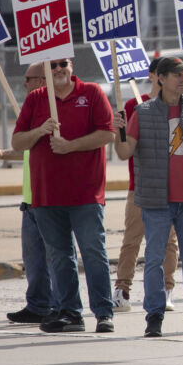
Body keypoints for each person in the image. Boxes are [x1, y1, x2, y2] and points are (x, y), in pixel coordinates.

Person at [113, 57, 183, 338]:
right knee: (153, 260)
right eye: (176, 74)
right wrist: (118, 131)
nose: (182, 78)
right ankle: (154, 317)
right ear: (160, 78)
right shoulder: (144, 112)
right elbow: (125, 153)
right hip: (156, 201)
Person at [12, 57, 116, 334]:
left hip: (85, 193)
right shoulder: (36, 98)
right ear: (46, 71)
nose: (58, 69)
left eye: (63, 64)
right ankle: (71, 314)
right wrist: (39, 131)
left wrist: (70, 146)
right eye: (53, 65)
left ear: (72, 66)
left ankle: (104, 313)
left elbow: (107, 133)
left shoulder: (91, 92)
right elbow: (17, 141)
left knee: (93, 253)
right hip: (46, 195)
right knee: (60, 257)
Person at [0, 64, 57, 324]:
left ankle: (58, 306)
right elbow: (28, 147)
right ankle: (37, 305)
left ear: (41, 79)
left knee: (55, 257)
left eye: (28, 79)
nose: (24, 84)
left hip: (51, 198)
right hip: (30, 198)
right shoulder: (33, 108)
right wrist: (3, 153)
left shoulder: (55, 112)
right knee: (34, 259)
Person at [112, 57, 179, 313]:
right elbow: (126, 148)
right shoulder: (133, 104)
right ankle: (121, 290)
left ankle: (166, 290)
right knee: (132, 239)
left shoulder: (177, 106)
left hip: (169, 186)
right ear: (154, 76)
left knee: (169, 242)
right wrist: (118, 131)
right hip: (140, 186)